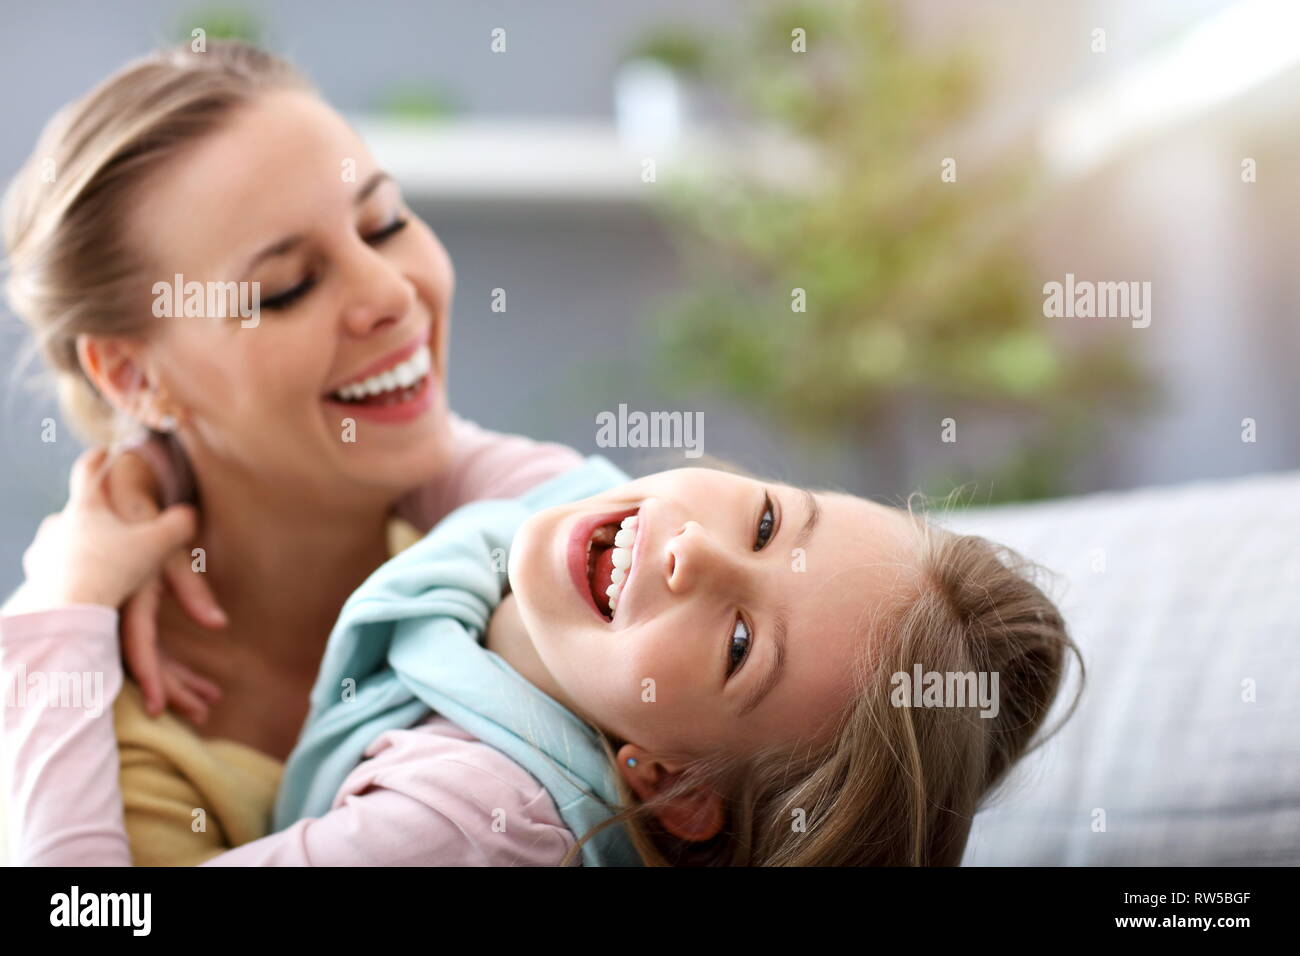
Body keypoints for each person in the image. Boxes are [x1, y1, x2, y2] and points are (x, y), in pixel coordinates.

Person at [4, 450, 1084, 865]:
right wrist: (153, 456)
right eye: (763, 520)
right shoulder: (585, 505)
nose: (689, 546)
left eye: (740, 640)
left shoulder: (474, 821)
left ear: (669, 784)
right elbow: (399, 439)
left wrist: (68, 597)